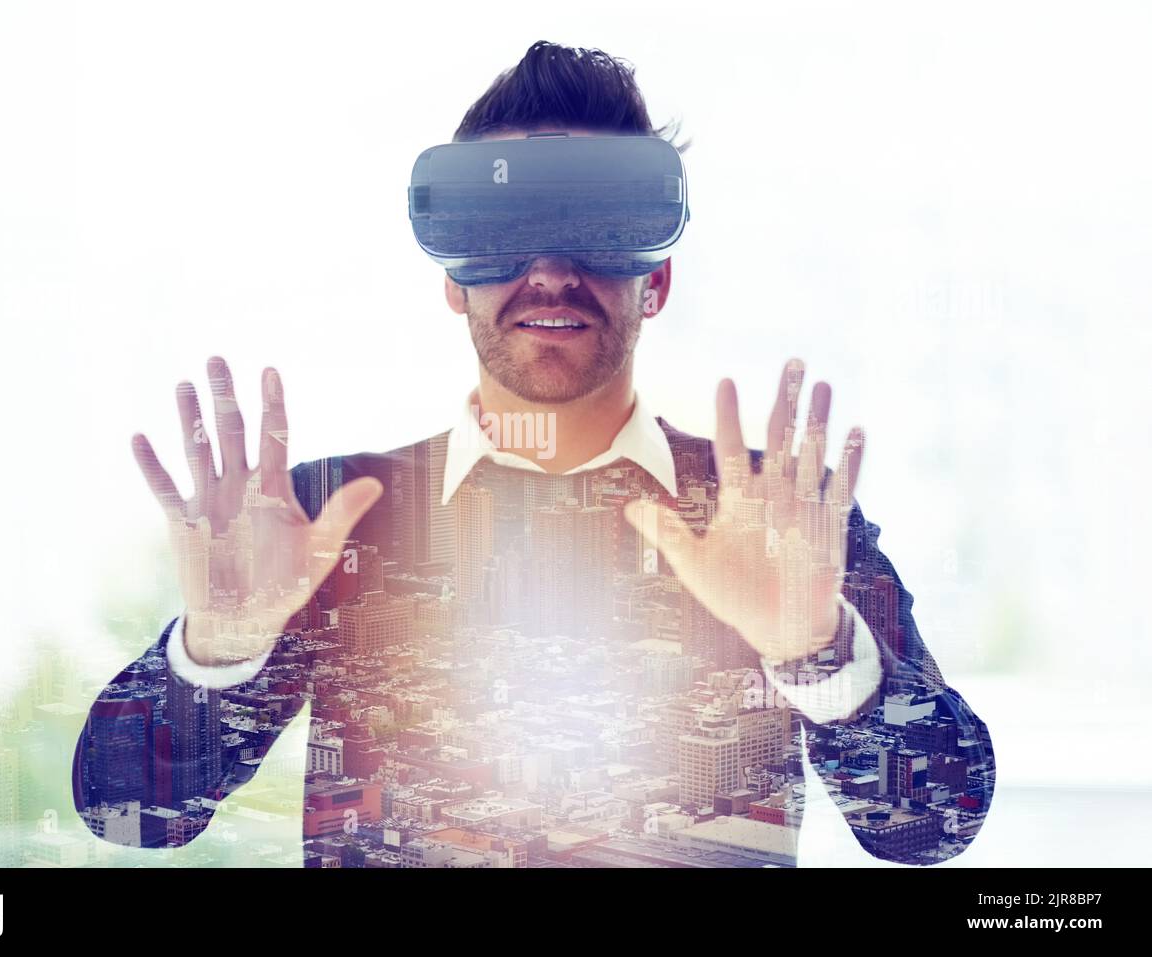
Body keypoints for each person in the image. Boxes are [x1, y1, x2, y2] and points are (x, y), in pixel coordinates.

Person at [72, 40, 994, 867]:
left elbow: (930, 828)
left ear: (657, 277)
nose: (549, 272)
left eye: (595, 231)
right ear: (452, 280)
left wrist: (815, 649)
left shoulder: (783, 519)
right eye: (505, 238)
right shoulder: (327, 519)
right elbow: (129, 819)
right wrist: (218, 650)